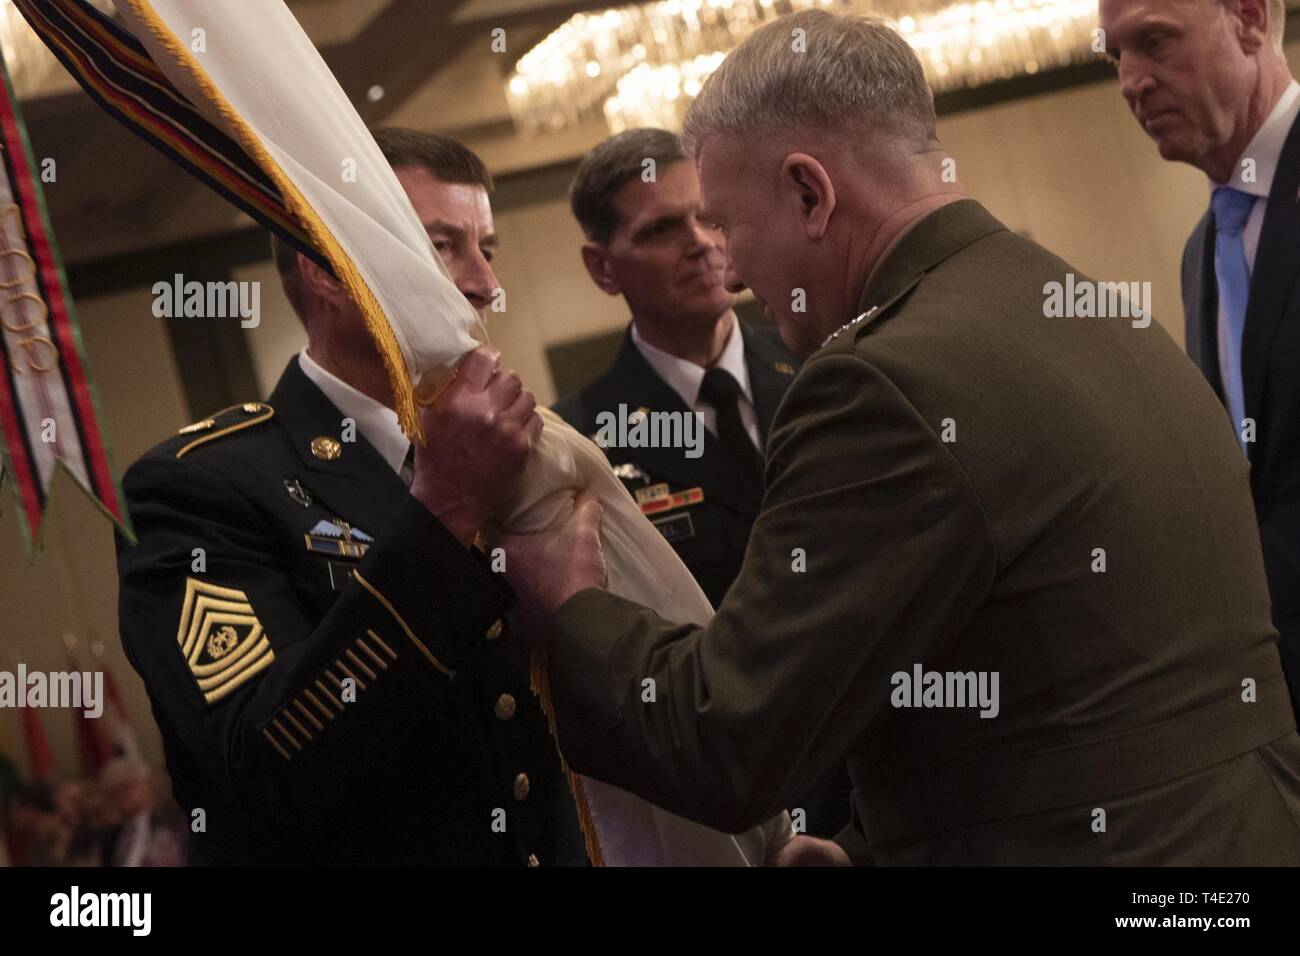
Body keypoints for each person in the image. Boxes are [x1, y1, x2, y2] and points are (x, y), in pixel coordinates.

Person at [495, 10, 1300, 865]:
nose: (728, 271)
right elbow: (1068, 687)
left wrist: (574, 606)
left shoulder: (878, 384)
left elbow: (726, 740)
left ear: (811, 194)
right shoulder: (1095, 311)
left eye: (728, 226)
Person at [116, 129, 585, 865]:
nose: (485, 284)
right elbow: (267, 771)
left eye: (486, 248)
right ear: (328, 273)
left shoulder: (522, 457)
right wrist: (444, 511)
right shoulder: (200, 487)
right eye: (442, 246)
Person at [556, 128, 848, 838]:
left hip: (871, 776)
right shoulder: (581, 440)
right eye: (661, 229)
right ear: (602, 268)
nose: (701, 243)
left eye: (709, 217)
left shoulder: (833, 369)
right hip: (723, 804)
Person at [1099, 0, 1300, 719]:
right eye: (1114, 55)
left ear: (1249, 17)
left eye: (1154, 42)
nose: (1130, 81)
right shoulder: (1202, 255)